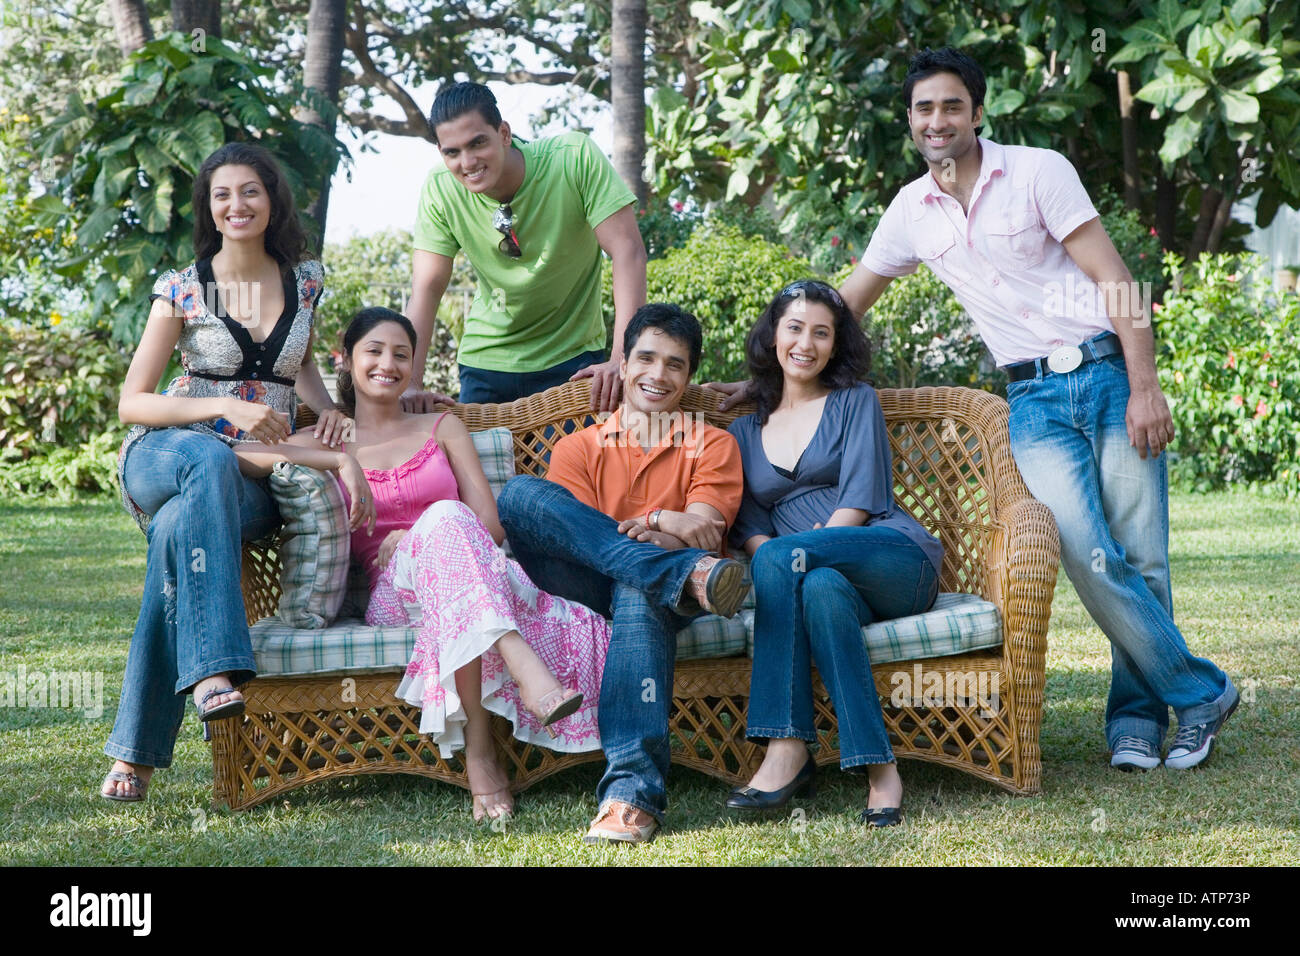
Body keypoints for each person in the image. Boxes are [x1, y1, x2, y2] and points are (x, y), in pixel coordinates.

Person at [721, 47, 1237, 772]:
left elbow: (1116, 279)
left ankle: (1137, 720)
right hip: (1031, 398)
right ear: (910, 120)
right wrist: (765, 376)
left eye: (951, 105)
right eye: (924, 108)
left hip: (1106, 372)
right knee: (1088, 554)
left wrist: (1146, 385)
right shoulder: (910, 211)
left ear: (977, 112)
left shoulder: (1037, 171)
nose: (938, 120)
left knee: (1141, 558)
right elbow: (840, 305)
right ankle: (1202, 689)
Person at [234, 308, 612, 822]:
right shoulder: (328, 438)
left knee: (447, 519)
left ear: (414, 366)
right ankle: (519, 683)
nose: (387, 363)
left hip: (464, 573)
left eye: (401, 354)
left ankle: (481, 752)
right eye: (374, 351)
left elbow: (491, 525)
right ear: (345, 359)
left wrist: (418, 533)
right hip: (392, 598)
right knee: (445, 522)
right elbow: (239, 455)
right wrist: (339, 460)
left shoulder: (443, 425)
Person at [104, 143, 354, 802]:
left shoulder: (305, 280)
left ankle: (134, 758)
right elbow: (134, 400)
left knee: (175, 537)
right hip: (166, 454)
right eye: (222, 195)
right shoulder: (181, 288)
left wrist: (327, 413)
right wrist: (221, 405)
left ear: (272, 200)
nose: (236, 205)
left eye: (250, 191)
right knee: (205, 457)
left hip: (251, 483)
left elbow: (297, 364)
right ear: (208, 209)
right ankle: (216, 670)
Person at [497, 303, 747, 844]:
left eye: (675, 364)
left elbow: (705, 531)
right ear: (624, 363)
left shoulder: (714, 444)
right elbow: (578, 543)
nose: (659, 375)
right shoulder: (578, 447)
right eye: (647, 358)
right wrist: (662, 540)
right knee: (520, 495)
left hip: (657, 597)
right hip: (598, 586)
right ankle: (676, 574)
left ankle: (630, 799)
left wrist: (658, 523)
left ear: (689, 375)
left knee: (636, 589)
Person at [723, 280, 943, 826]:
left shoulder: (854, 402)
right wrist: (793, 558)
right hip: (819, 576)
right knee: (818, 590)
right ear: (773, 336)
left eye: (822, 333)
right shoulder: (743, 431)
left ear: (835, 344)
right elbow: (749, 522)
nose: (806, 343)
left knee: (779, 560)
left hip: (892, 555)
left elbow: (861, 497)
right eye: (795, 328)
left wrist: (798, 550)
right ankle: (880, 769)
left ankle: (786, 747)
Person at [405, 81, 647, 412]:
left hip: (572, 362)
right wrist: (410, 384)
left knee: (572, 464)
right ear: (441, 153)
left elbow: (627, 251)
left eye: (478, 143)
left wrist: (622, 359)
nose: (468, 161)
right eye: (452, 152)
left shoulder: (573, 159)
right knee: (476, 465)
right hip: (486, 364)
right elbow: (426, 288)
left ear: (504, 133)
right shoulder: (440, 189)